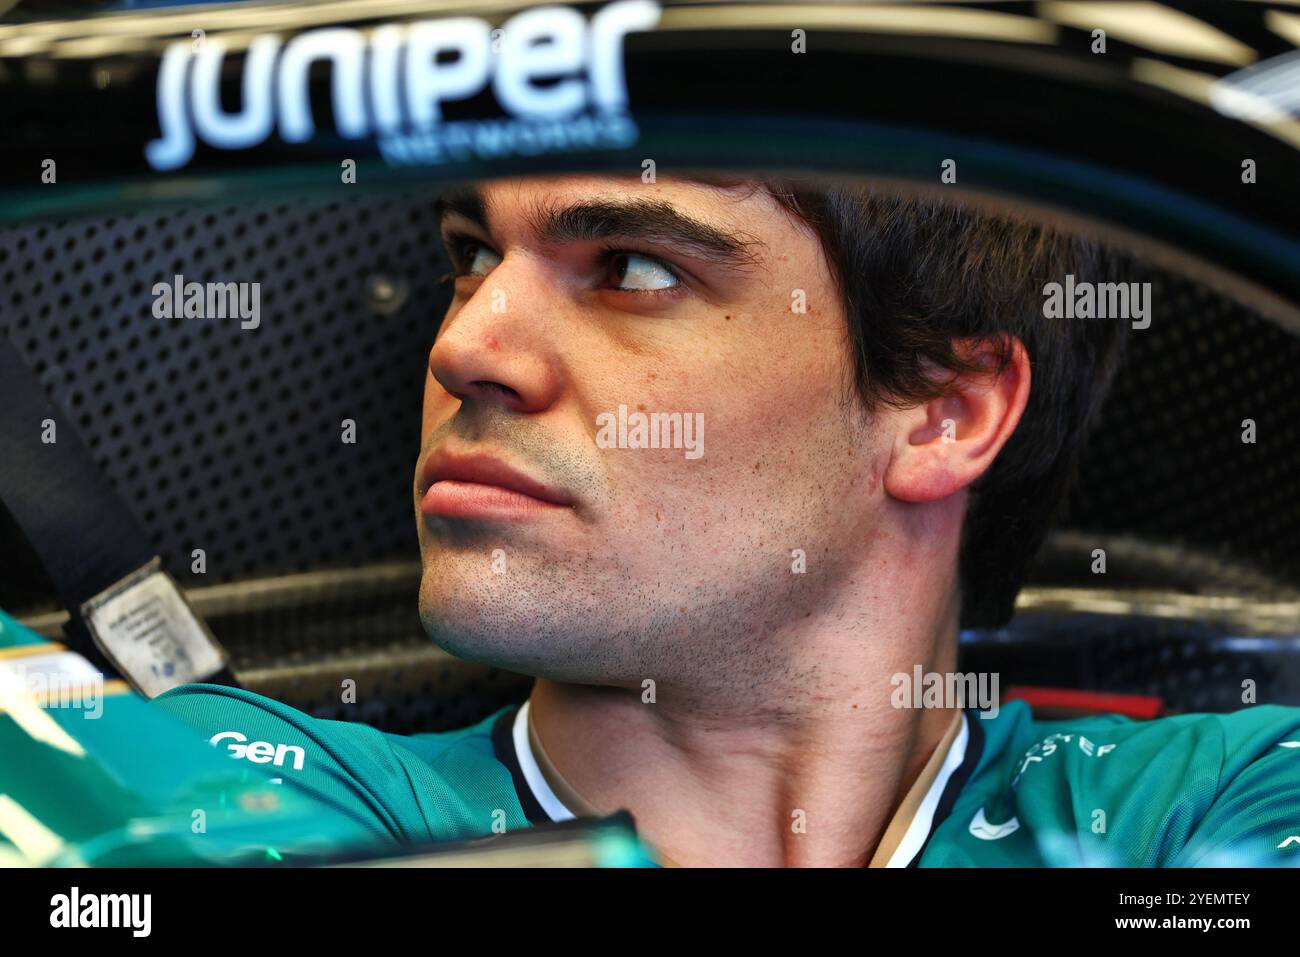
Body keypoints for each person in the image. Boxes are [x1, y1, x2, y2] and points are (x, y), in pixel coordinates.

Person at [154, 173, 1300, 867]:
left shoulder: (1213, 803)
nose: (462, 347)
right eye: (472, 257)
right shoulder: (229, 788)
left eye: (634, 269)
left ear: (943, 414)